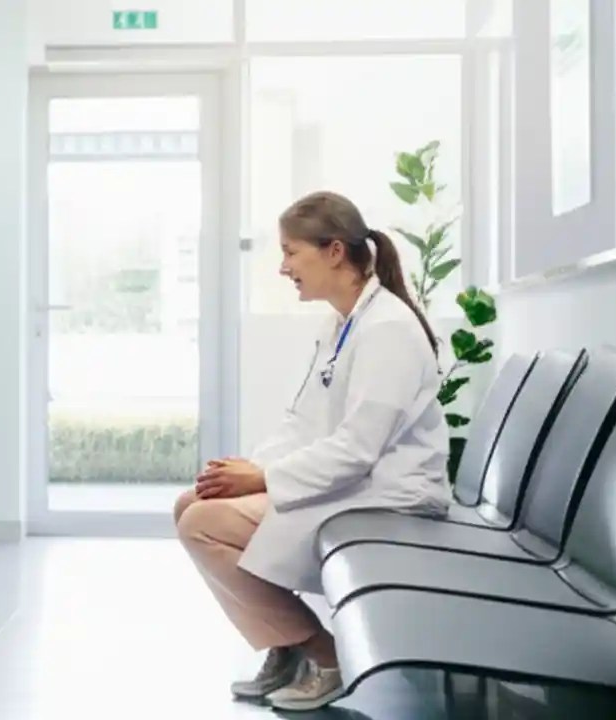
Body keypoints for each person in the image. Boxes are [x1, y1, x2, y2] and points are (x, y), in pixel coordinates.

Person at [174, 190, 450, 712]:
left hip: (391, 494)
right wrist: (253, 467)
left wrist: (263, 481)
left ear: (335, 252)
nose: (283, 268)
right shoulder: (343, 324)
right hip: (355, 482)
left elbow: (359, 449)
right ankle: (286, 645)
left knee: (201, 524)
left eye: (290, 252)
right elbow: (304, 421)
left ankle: (324, 653)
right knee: (190, 504)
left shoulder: (386, 328)